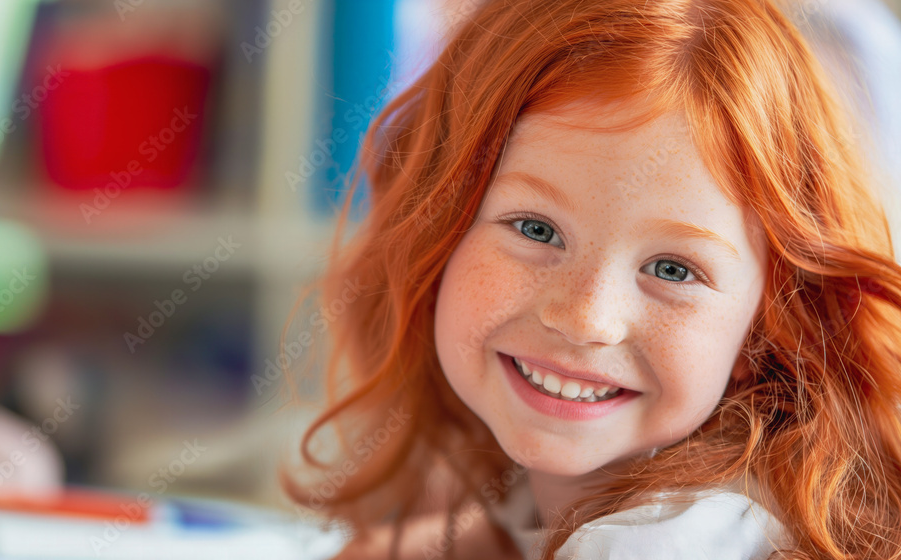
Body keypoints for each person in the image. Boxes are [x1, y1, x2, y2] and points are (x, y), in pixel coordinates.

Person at [277, 0, 901, 558]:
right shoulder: (545, 493)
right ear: (437, 232)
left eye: (672, 269)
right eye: (536, 230)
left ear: (763, 327)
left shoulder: (662, 542)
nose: (585, 316)